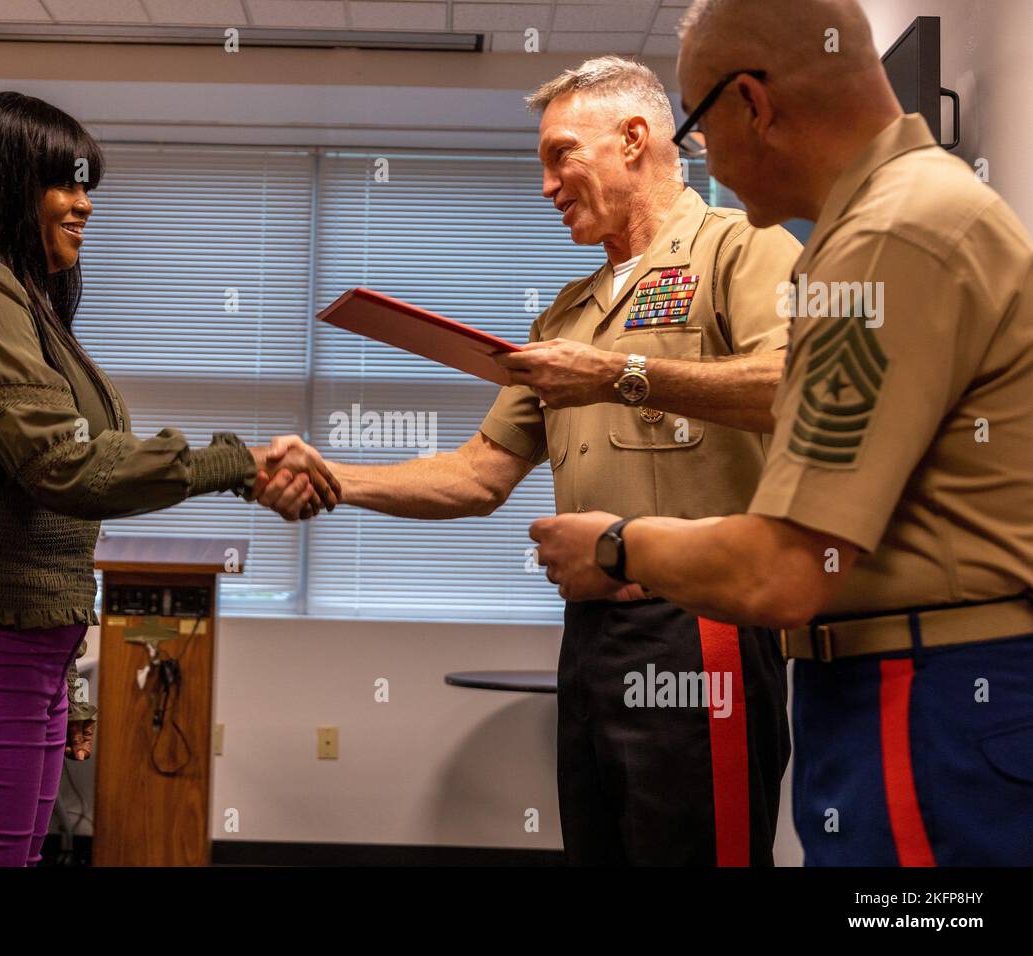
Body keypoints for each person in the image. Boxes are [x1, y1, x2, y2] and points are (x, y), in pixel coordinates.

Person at [260, 57, 802, 865]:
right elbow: (480, 473)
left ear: (633, 138)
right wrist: (337, 479)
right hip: (591, 633)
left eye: (560, 156)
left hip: (703, 628)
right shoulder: (567, 315)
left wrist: (618, 374)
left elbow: (794, 386)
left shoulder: (743, 247)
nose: (546, 186)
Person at [532, 0, 1033, 865]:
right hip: (894, 683)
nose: (703, 153)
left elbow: (790, 567)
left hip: (931, 692)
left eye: (697, 121)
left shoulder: (891, 234)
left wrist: (614, 547)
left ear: (752, 103)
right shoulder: (884, 225)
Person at [0, 91, 339, 866]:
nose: (84, 204)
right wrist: (240, 463)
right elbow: (64, 466)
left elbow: (64, 500)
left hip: (13, 638)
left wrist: (68, 681)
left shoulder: (23, 304)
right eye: (65, 184)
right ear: (2, 185)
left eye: (87, 187)